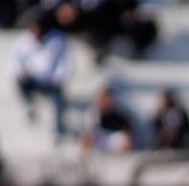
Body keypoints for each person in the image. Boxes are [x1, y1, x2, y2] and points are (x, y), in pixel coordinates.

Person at [10, 12, 70, 140]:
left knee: (58, 100)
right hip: (32, 79)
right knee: (20, 83)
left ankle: (57, 129)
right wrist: (20, 71)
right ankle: (29, 106)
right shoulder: (25, 40)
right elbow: (16, 60)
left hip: (50, 81)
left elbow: (64, 63)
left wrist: (57, 78)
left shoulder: (57, 40)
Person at [81, 87, 136, 153]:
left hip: (112, 142)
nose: (105, 102)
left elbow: (127, 131)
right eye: (103, 99)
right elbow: (88, 134)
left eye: (108, 99)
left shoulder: (119, 112)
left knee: (124, 140)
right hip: (98, 142)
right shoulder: (92, 115)